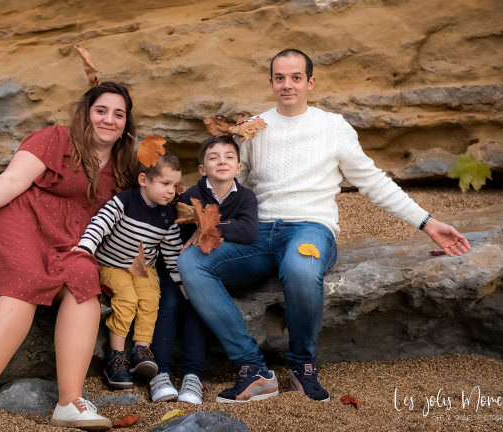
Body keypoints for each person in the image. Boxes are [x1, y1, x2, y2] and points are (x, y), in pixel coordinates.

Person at [178, 49, 471, 404]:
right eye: (280, 78)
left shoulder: (333, 127)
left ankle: (302, 365)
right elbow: (240, 189)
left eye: (296, 77)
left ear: (310, 82)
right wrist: (204, 227)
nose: (288, 85)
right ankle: (253, 369)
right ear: (271, 82)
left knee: (300, 268)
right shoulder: (253, 128)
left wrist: (426, 222)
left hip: (310, 228)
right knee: (192, 262)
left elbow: (372, 181)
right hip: (260, 234)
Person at [0, 82, 138, 430]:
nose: (109, 119)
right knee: (27, 283)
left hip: (69, 240)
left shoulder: (124, 166)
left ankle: (69, 401)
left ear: (127, 122)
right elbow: (13, 180)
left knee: (84, 281)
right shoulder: (56, 138)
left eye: (118, 114)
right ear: (86, 114)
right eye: (101, 111)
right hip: (20, 221)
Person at [150, 135, 259, 405]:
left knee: (198, 309)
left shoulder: (245, 197)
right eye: (213, 157)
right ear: (202, 169)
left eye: (229, 157)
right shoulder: (191, 196)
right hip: (175, 267)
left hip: (210, 269)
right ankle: (160, 372)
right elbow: (175, 237)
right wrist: (179, 280)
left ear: (239, 168)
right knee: (169, 304)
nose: (222, 161)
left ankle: (192, 375)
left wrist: (208, 227)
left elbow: (248, 232)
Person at [76, 152, 182, 389]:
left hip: (144, 268)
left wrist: (180, 281)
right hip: (111, 263)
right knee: (127, 299)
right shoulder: (125, 201)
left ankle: (141, 349)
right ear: (144, 180)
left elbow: (172, 250)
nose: (171, 191)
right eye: (165, 184)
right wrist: (85, 248)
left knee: (151, 298)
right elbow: (100, 223)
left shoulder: (168, 215)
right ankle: (116, 356)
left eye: (174, 185)